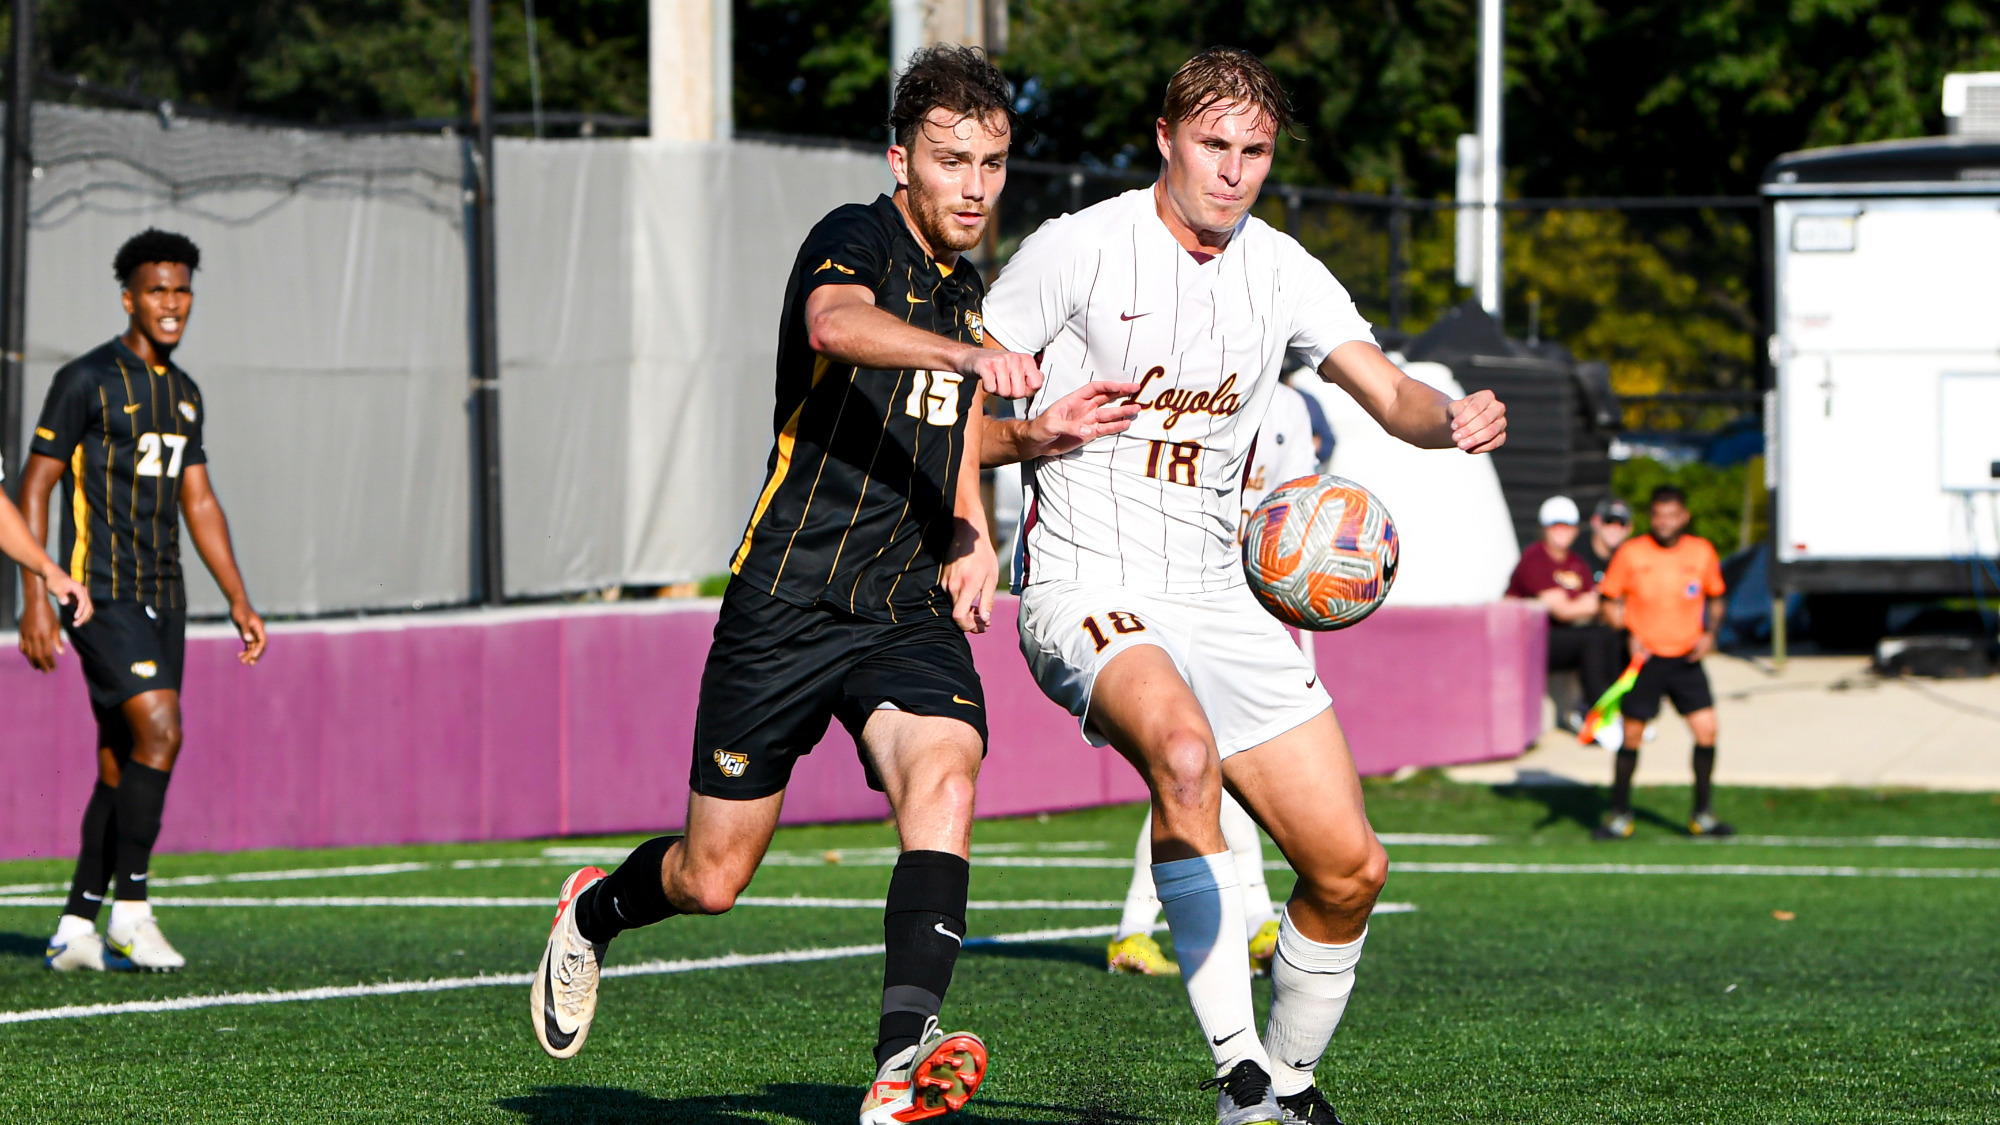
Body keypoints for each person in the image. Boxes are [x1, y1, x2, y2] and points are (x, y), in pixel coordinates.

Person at [525, 47, 1139, 1125]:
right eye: (952, 162)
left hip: (903, 604)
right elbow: (834, 329)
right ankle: (595, 911)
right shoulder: (852, 239)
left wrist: (997, 487)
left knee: (945, 777)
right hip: (788, 598)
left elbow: (945, 433)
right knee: (711, 879)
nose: (975, 187)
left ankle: (899, 1061)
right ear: (901, 159)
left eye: (993, 164)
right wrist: (961, 361)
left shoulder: (963, 292)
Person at [979, 48, 1506, 1125]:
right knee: (1181, 755)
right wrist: (976, 505)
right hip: (1084, 582)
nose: (1230, 170)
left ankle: (1284, 1086)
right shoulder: (1073, 250)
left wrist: (1445, 422)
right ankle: (1241, 1073)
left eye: (1252, 151)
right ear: (1164, 138)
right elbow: (952, 407)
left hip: (1221, 594)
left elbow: (1389, 392)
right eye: (1211, 145)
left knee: (1348, 867)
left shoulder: (1281, 269)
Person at [21, 228, 268, 974]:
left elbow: (199, 500)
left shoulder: (185, 393)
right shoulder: (85, 379)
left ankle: (74, 926)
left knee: (121, 761)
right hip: (99, 595)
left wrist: (238, 596)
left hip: (169, 597)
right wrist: (34, 595)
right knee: (161, 727)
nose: (172, 303)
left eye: (182, 289)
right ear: (129, 296)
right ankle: (132, 907)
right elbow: (32, 487)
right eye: (157, 289)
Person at [1106, 381, 1320, 979]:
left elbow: (1297, 507)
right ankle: (1152, 928)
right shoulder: (1182, 378)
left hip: (1248, 605)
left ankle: (1238, 923)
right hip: (1173, 597)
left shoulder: (1288, 406)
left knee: (1215, 766)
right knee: (1191, 764)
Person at [1594, 484, 1732, 841]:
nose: (1665, 522)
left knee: (1707, 730)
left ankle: (1702, 815)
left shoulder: (1701, 552)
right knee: (1632, 735)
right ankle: (1619, 815)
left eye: (1672, 516)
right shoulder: (1631, 553)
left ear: (1684, 517)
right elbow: (1608, 601)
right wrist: (1627, 630)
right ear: (1651, 517)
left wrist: (1710, 633)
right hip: (1646, 660)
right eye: (1658, 515)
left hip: (1686, 659)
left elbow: (1716, 598)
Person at [1506, 495, 1626, 723]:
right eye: (1555, 526)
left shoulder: (1576, 562)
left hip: (1560, 636)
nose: (1562, 531)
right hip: (1527, 639)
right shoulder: (1535, 558)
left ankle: (1616, 710)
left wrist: (1595, 603)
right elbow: (1563, 610)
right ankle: (1596, 716)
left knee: (1610, 636)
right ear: (1544, 528)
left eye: (1567, 526)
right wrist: (1595, 601)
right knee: (1593, 639)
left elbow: (1592, 604)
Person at [1575, 496, 1631, 586]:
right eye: (1609, 520)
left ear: (1629, 529)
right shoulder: (1575, 557)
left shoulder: (1632, 560)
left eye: (1621, 523)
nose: (1615, 528)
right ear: (1595, 521)